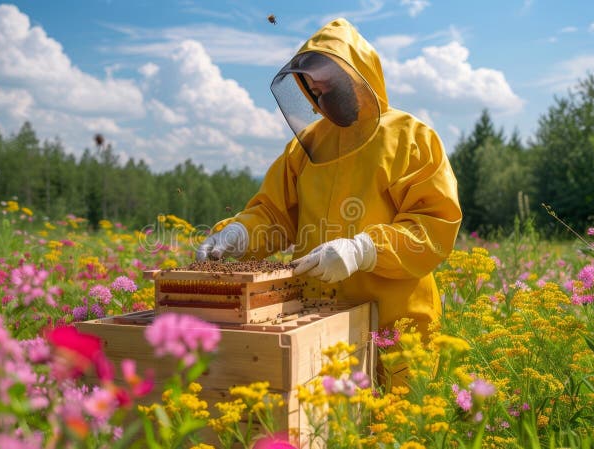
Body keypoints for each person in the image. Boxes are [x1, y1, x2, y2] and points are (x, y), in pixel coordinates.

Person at [196, 18, 461, 344]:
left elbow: (434, 225)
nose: (321, 99)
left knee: (397, 395)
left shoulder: (412, 137)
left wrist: (363, 250)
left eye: (329, 86)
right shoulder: (304, 146)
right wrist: (240, 233)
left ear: (357, 74)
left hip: (397, 323)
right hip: (315, 317)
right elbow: (275, 214)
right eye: (314, 90)